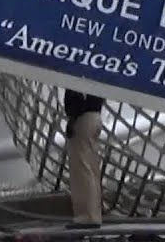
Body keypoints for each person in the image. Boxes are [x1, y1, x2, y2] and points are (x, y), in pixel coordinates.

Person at [63, 88, 104, 229]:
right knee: (91, 168)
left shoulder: (80, 77)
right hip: (95, 115)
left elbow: (78, 95)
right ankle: (94, 214)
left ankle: (86, 217)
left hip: (83, 118)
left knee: (82, 170)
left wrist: (72, 119)